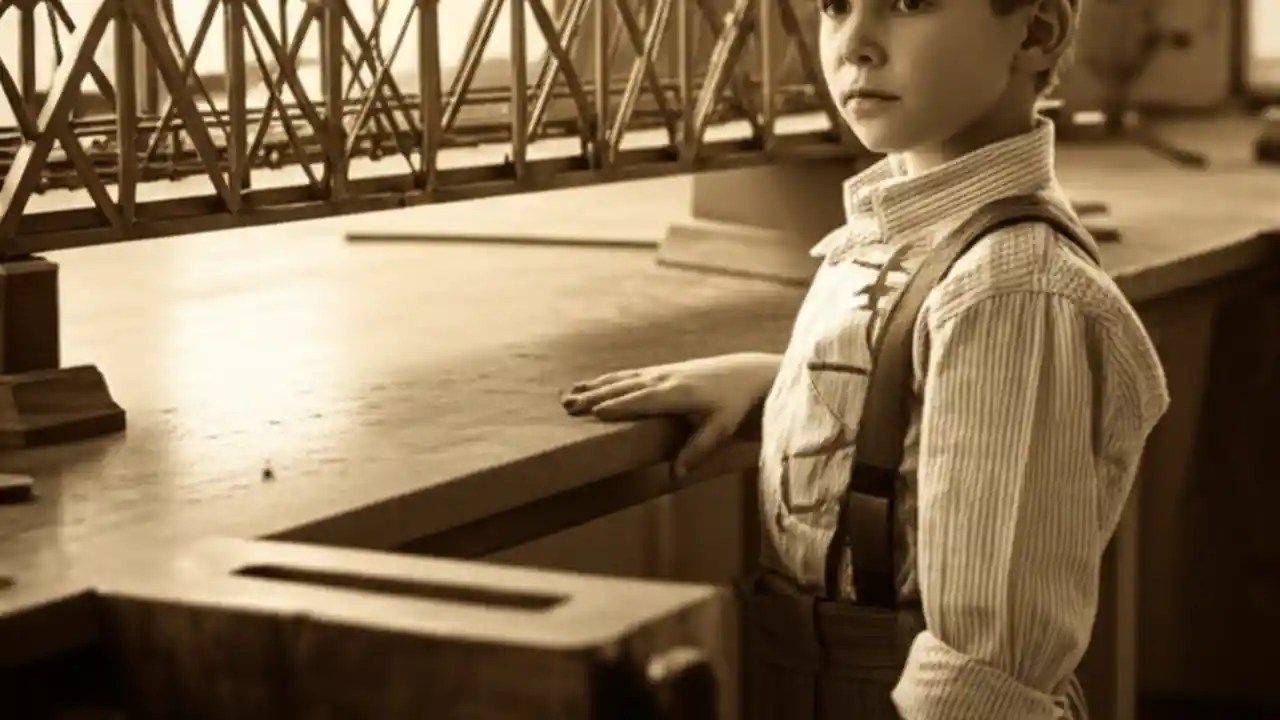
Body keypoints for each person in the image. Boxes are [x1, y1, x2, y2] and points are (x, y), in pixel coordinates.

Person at [560, 0, 1170, 716]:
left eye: (907, 5)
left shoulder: (1010, 291)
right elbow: (918, 411)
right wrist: (785, 383)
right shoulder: (908, 229)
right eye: (834, 6)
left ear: (1037, 31)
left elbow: (983, 669)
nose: (854, 45)